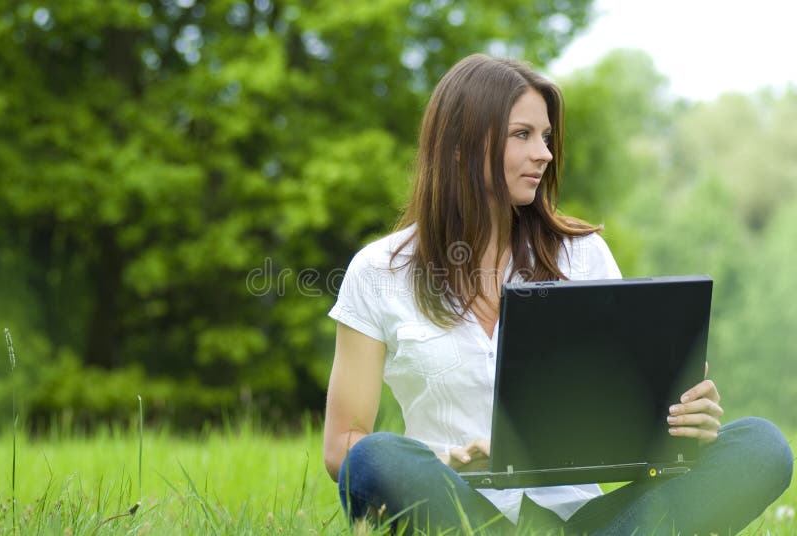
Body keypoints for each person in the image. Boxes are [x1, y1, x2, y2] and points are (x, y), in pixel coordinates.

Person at [322, 54, 793, 534]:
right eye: (522, 135)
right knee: (374, 457)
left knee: (760, 446)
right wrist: (445, 464)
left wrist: (685, 426)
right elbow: (343, 447)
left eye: (546, 137)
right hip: (460, 512)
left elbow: (628, 416)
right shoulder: (379, 271)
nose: (544, 154)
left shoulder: (582, 255)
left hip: (584, 520)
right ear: (460, 146)